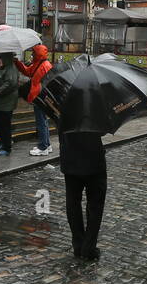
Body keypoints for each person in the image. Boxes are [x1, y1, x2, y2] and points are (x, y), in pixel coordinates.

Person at [60, 129, 106, 260]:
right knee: (95, 205)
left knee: (73, 202)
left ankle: (78, 245)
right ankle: (89, 248)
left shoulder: (64, 108)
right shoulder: (95, 108)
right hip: (93, 158)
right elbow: (103, 129)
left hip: (70, 156)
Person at [15, 43, 54, 156]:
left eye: (33, 53)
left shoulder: (44, 66)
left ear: (38, 54)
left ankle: (43, 147)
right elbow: (28, 72)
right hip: (38, 97)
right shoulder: (39, 64)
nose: (32, 55)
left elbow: (46, 84)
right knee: (43, 121)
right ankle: (47, 144)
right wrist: (18, 63)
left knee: (41, 122)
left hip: (40, 98)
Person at [0, 51, 19, 156]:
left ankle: (7, 147)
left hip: (6, 103)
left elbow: (10, 84)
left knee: (4, 125)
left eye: (1, 58)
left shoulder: (10, 69)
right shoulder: (4, 66)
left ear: (6, 58)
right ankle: (4, 141)